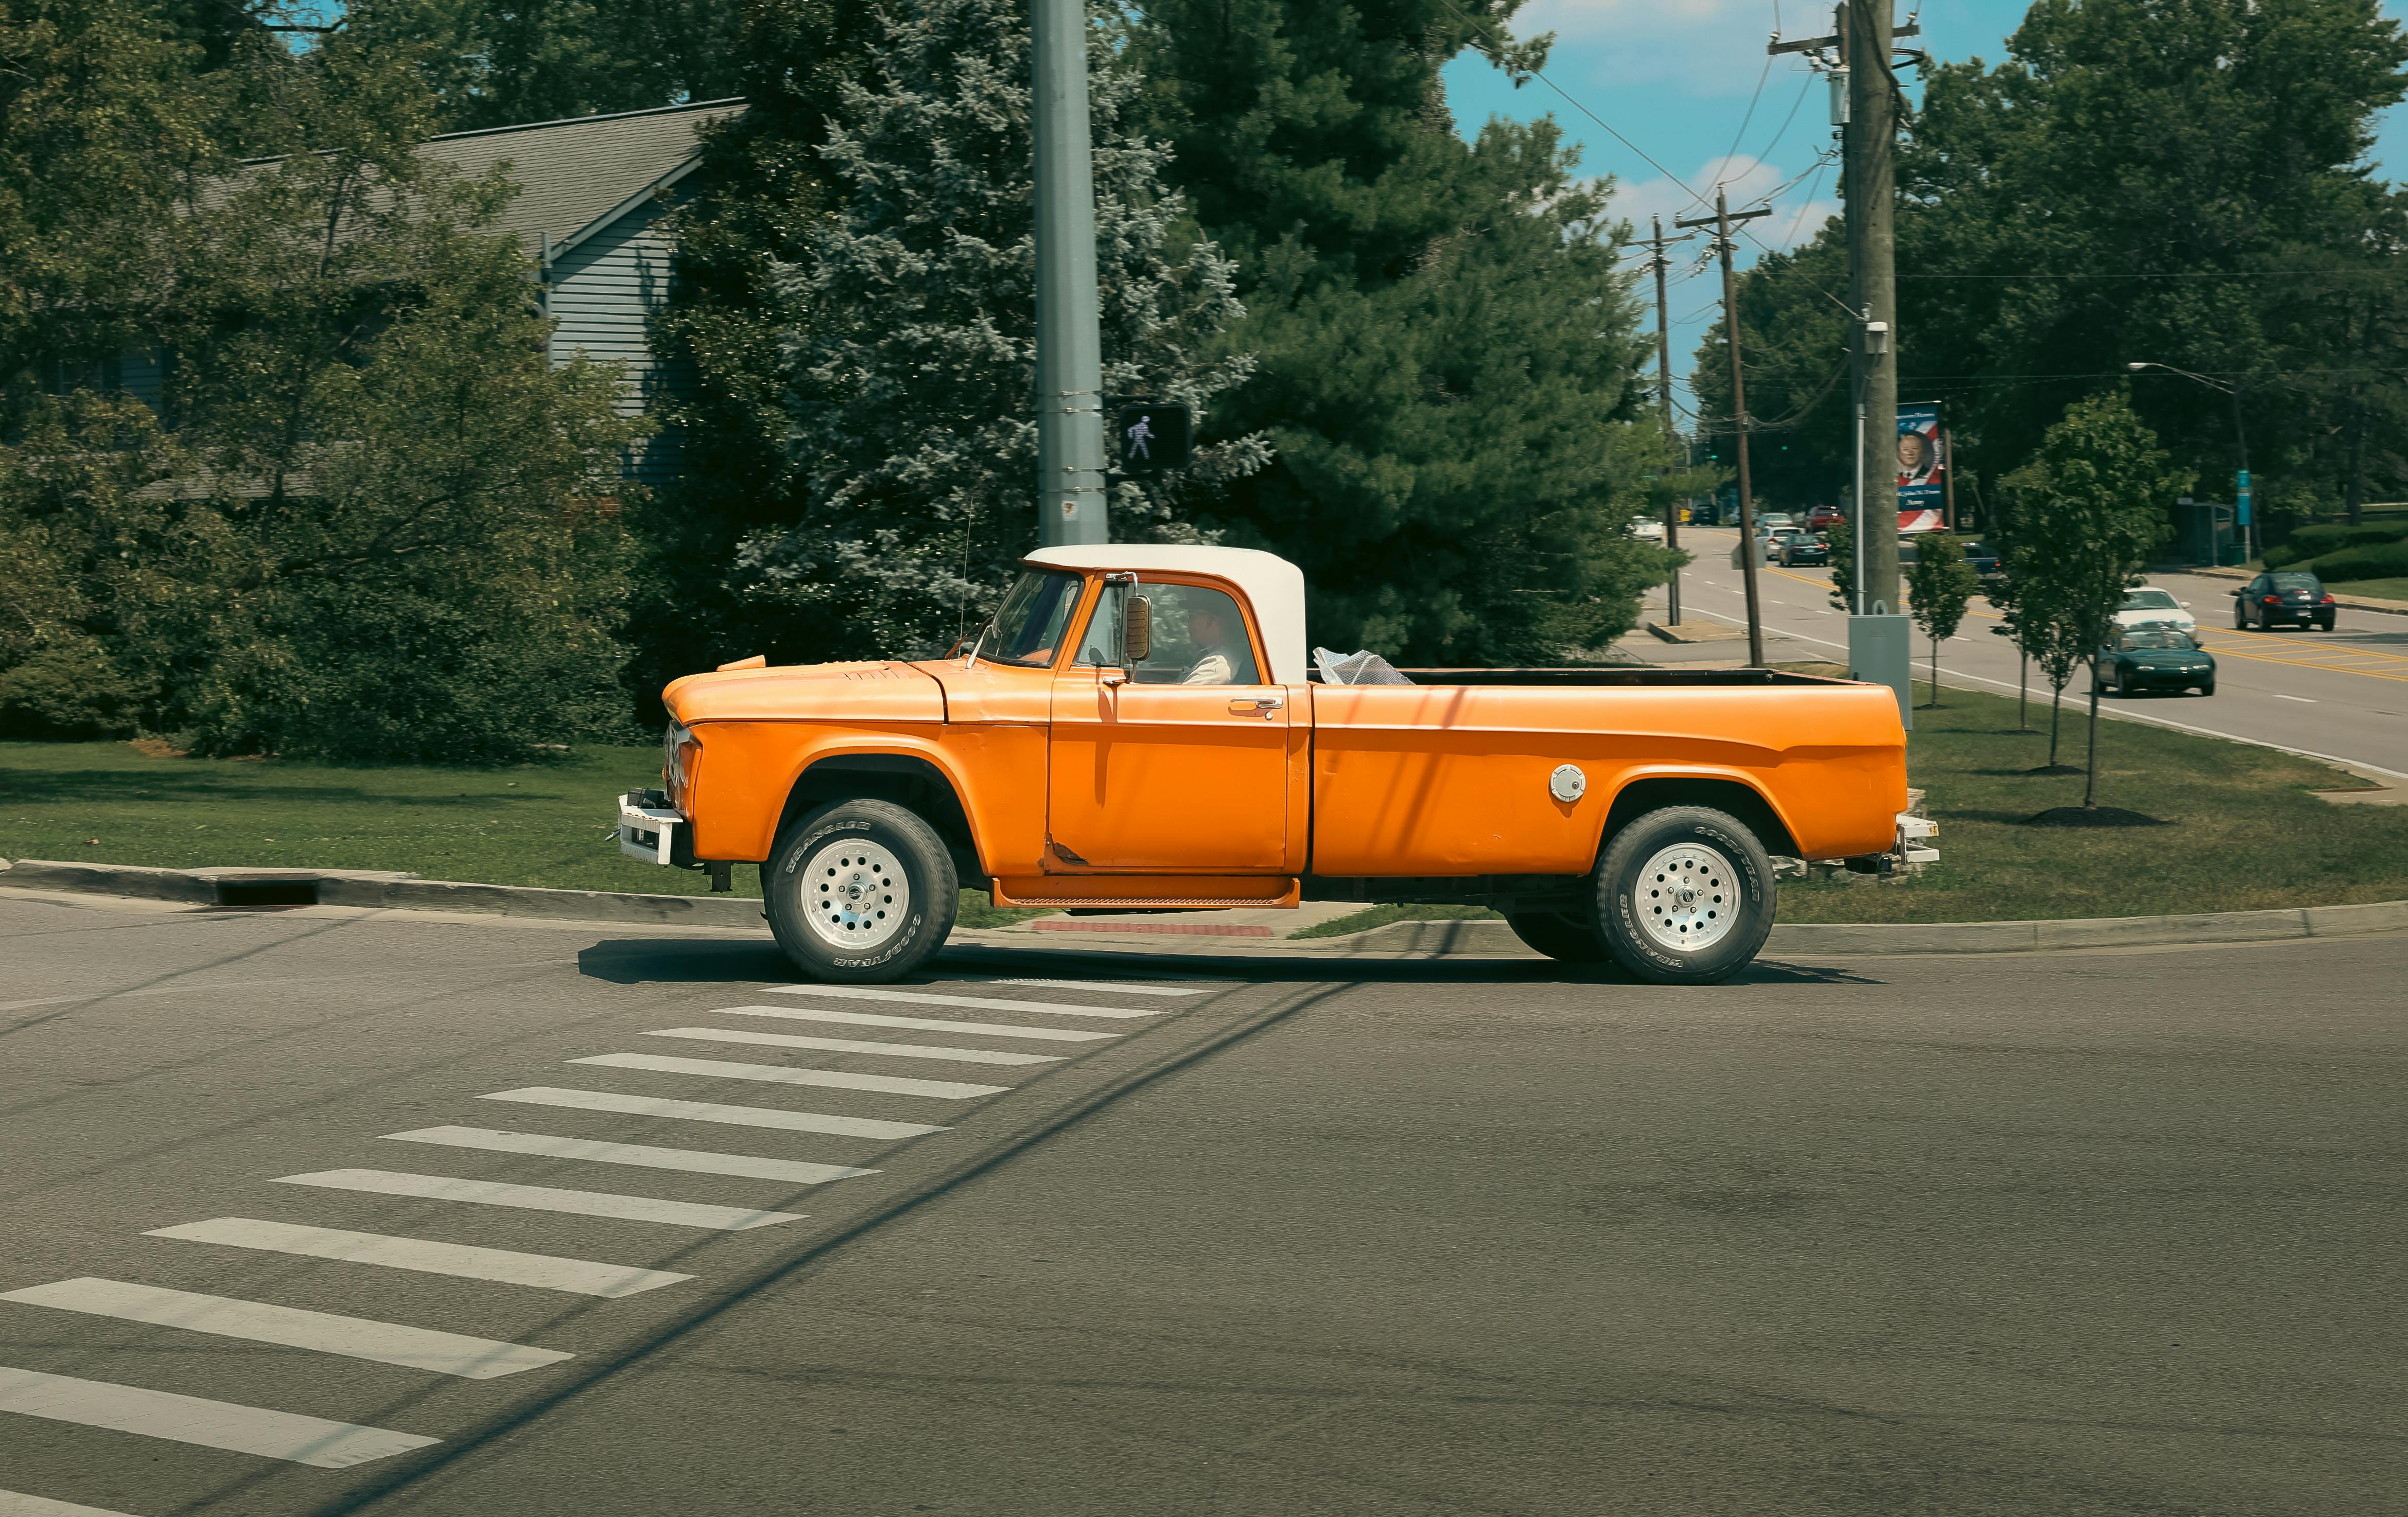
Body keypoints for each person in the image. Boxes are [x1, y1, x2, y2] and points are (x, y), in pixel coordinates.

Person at [1182, 604, 1241, 684]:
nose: (1188, 622)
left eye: (1192, 616)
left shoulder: (1218, 663)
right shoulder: (1213, 655)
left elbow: (1183, 696)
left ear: (1209, 621)